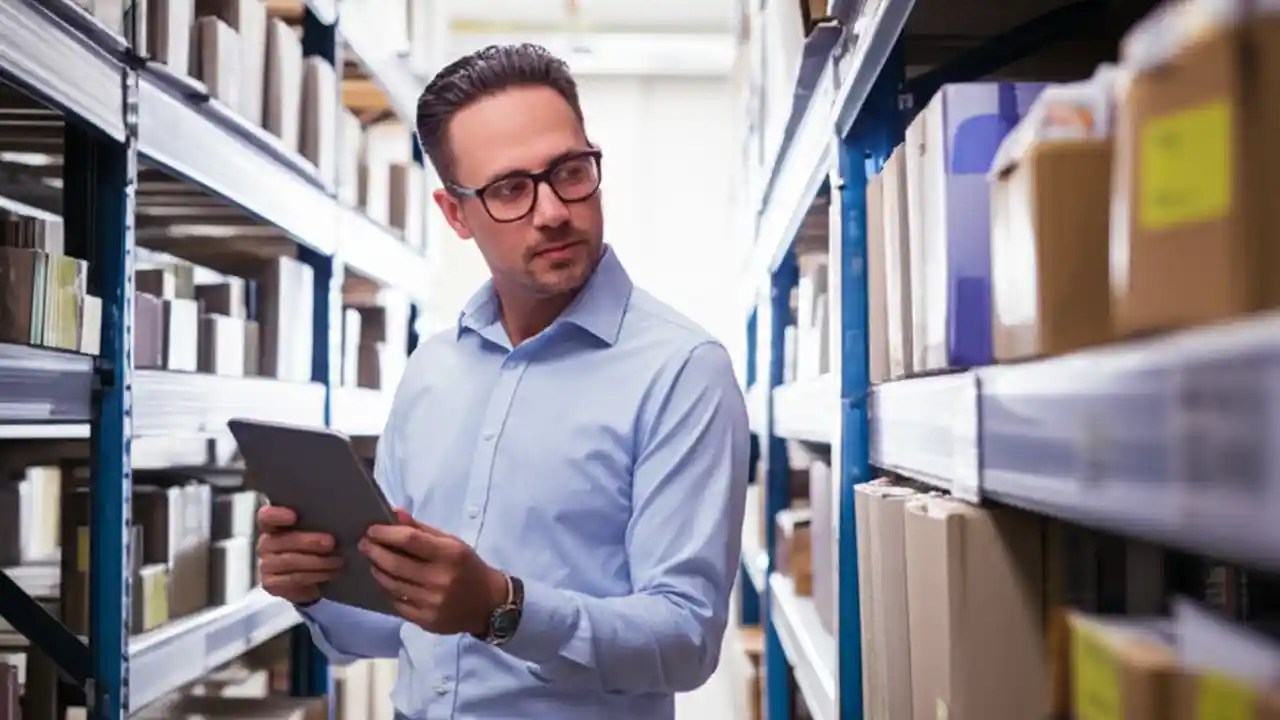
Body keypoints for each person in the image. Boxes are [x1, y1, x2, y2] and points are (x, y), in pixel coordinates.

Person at [255, 43, 749, 719]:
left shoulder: (683, 370)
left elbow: (687, 641)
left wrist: (501, 607)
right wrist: (314, 588)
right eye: (510, 189)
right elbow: (386, 628)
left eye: (570, 172)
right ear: (457, 214)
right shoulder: (432, 370)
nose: (552, 211)